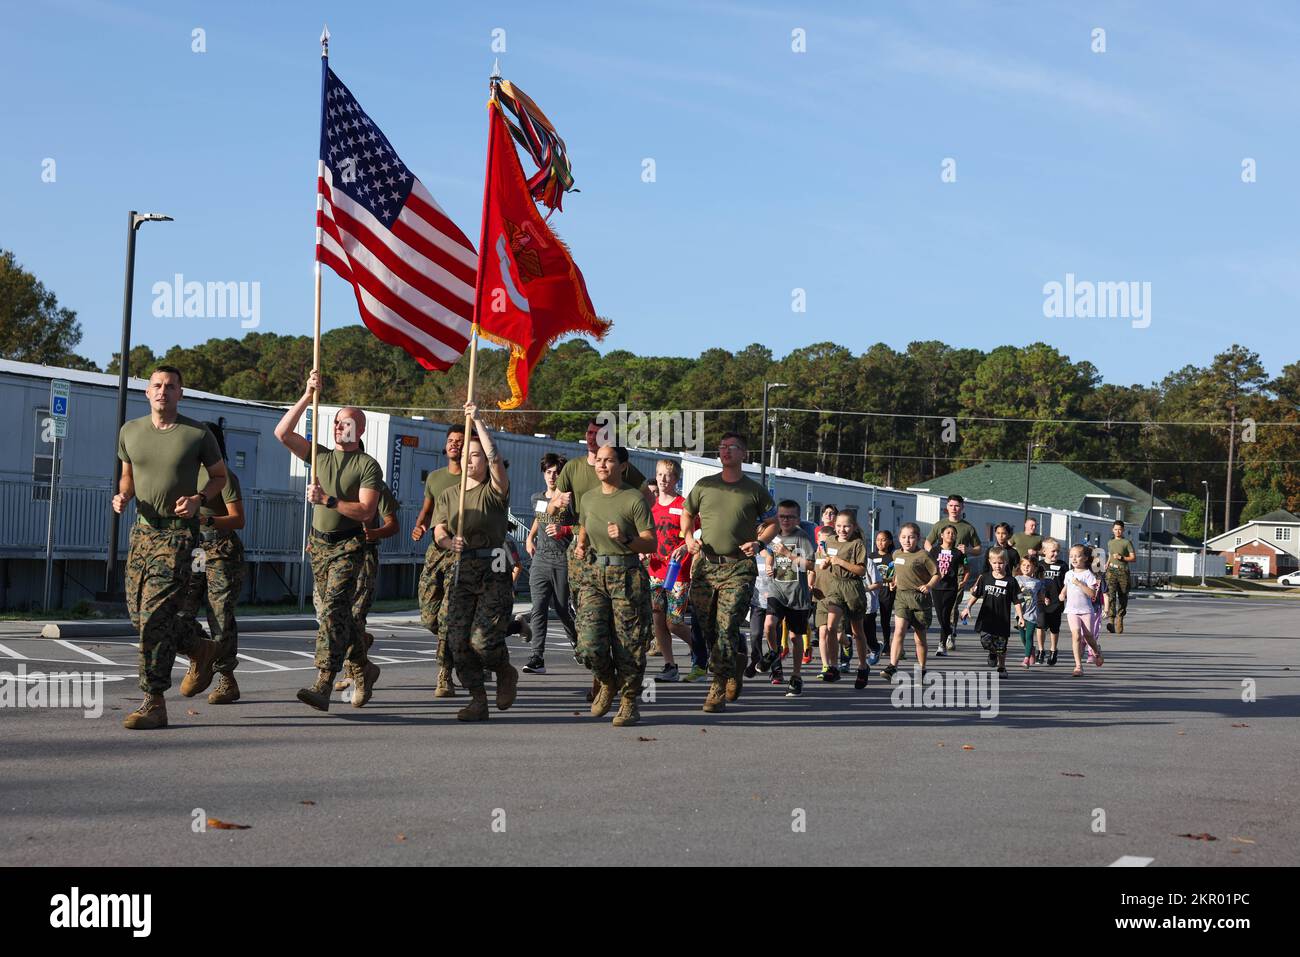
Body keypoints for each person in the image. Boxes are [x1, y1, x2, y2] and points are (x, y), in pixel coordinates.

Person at [113, 366, 227, 730]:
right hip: (142, 533)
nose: (163, 391)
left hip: (178, 536)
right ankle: (199, 647)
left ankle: (154, 701)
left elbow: (220, 476)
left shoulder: (197, 433)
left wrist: (198, 498)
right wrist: (124, 494)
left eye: (171, 386)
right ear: (147, 393)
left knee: (154, 618)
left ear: (181, 393)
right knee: (140, 617)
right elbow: (128, 474)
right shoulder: (130, 431)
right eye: (157, 386)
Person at [275, 371, 383, 711]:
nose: (340, 427)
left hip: (348, 545)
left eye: (348, 423)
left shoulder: (367, 465)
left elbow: (366, 511)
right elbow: (282, 433)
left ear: (360, 430)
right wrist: (308, 394)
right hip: (318, 546)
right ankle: (363, 667)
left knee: (336, 606)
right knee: (335, 617)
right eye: (337, 422)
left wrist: (329, 501)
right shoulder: (319, 456)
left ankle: (323, 680)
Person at [429, 403, 519, 721]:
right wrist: (446, 541)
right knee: (456, 640)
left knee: (483, 640)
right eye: (466, 454)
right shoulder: (450, 495)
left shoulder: (495, 490)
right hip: (462, 566)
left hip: (494, 564)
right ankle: (478, 699)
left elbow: (495, 459)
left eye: (475, 455)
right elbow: (439, 529)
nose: (470, 459)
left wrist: (478, 421)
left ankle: (504, 670)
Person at [681, 432, 776, 713]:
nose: (725, 451)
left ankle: (717, 687)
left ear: (744, 454)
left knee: (726, 626)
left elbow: (772, 523)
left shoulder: (754, 490)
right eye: (721, 447)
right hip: (705, 566)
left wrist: (759, 542)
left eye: (732, 447)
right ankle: (733, 662)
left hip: (738, 568)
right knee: (707, 626)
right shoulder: (704, 485)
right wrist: (688, 538)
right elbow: (687, 513)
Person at [574, 446, 656, 727]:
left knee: (629, 644)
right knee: (587, 644)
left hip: (626, 574)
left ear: (623, 466)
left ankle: (630, 701)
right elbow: (585, 523)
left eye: (609, 461)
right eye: (599, 460)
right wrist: (582, 544)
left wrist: (625, 538)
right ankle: (607, 681)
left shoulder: (633, 499)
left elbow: (651, 542)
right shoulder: (588, 498)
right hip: (594, 574)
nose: (602, 465)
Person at [177, 420, 246, 706]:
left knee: (220, 615)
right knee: (182, 611)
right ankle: (201, 652)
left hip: (221, 549)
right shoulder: (187, 474)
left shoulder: (224, 476)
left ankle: (226, 679)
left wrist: (205, 518)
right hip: (196, 553)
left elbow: (238, 519)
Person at [412, 425, 465, 698]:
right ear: (445, 447)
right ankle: (460, 641)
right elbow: (427, 508)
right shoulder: (435, 477)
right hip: (436, 549)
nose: (455, 445)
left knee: (447, 616)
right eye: (451, 441)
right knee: (429, 616)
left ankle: (444, 675)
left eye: (460, 441)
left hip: (461, 549)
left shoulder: (473, 478)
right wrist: (420, 526)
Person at [335, 475, 399, 695]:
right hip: (334, 555)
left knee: (354, 616)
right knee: (332, 616)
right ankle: (361, 643)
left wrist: (374, 533)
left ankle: (354, 672)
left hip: (363, 554)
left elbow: (392, 524)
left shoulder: (375, 486)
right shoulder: (333, 482)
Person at [644, 459, 699, 684]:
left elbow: (696, 535)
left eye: (668, 475)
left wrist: (686, 546)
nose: (663, 479)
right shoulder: (651, 507)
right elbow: (645, 535)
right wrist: (643, 550)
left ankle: (703, 652)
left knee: (673, 622)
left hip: (677, 572)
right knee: (658, 619)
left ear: (676, 479)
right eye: (659, 475)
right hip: (655, 571)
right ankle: (670, 665)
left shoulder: (684, 505)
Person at [522, 452, 576, 675]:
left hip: (563, 558)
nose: (552, 476)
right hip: (541, 559)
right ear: (543, 474)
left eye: (556, 472)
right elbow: (541, 516)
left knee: (562, 608)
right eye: (548, 472)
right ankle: (537, 657)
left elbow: (583, 526)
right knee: (539, 607)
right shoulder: (538, 497)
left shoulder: (571, 500)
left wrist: (564, 529)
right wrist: (529, 537)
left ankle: (579, 643)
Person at [816, 508, 880, 690]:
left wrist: (840, 562)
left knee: (857, 631)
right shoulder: (829, 540)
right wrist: (827, 562)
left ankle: (862, 666)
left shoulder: (858, 544)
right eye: (838, 526)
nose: (842, 530)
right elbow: (829, 559)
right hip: (835, 586)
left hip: (852, 587)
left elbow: (861, 570)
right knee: (831, 627)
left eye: (846, 526)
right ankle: (833, 666)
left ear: (853, 527)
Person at [759, 500, 815, 696]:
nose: (786, 520)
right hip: (777, 591)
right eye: (782, 516)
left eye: (790, 517)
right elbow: (765, 551)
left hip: (797, 595)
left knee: (794, 636)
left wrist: (787, 554)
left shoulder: (802, 537)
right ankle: (774, 654)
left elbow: (809, 565)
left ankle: (796, 676)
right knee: (769, 624)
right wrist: (768, 561)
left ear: (798, 519)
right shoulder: (772, 535)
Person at [925, 495, 983, 649]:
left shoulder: (968, 528)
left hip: (957, 572)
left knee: (952, 606)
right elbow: (927, 543)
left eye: (957, 506)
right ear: (947, 507)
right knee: (940, 609)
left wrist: (968, 549)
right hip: (940, 571)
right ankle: (948, 631)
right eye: (951, 505)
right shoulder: (940, 525)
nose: (954, 508)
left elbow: (979, 549)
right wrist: (935, 555)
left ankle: (949, 635)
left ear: (962, 507)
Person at [882, 522, 939, 681]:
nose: (907, 540)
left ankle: (922, 668)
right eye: (904, 537)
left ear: (918, 538)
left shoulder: (923, 556)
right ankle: (892, 666)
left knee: (919, 638)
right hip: (901, 597)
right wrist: (894, 581)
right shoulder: (896, 554)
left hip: (920, 600)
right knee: (898, 631)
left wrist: (928, 586)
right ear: (899, 538)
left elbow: (937, 575)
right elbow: (898, 572)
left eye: (911, 537)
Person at [960, 547, 1022, 676]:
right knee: (986, 641)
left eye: (1000, 563)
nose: (997, 566)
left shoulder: (1011, 581)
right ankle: (992, 652)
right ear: (989, 562)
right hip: (986, 617)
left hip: (1002, 619)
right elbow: (976, 594)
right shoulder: (985, 578)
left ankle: (1002, 667)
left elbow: (1017, 601)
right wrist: (967, 607)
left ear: (1006, 562)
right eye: (994, 563)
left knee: (1002, 646)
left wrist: (1020, 617)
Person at [1061, 544, 1105, 676]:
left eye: (1077, 556)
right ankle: (1078, 666)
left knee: (1088, 636)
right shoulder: (1068, 574)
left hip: (1086, 610)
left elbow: (1092, 594)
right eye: (1071, 556)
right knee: (1076, 636)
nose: (1074, 559)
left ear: (1085, 558)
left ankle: (1096, 652)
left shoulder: (1088, 575)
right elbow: (1066, 586)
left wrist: (1080, 584)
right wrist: (1062, 593)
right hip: (1071, 610)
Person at [928, 524, 969, 658]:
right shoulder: (934, 551)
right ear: (941, 535)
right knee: (940, 616)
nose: (950, 535)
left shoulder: (958, 553)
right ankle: (949, 631)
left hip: (951, 588)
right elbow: (927, 566)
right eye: (947, 533)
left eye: (953, 533)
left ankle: (942, 645)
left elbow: (967, 568)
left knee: (946, 614)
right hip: (936, 587)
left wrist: (964, 580)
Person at [1039, 537, 1067, 666]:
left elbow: (1067, 582)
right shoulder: (1040, 566)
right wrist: (1041, 596)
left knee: (1054, 628)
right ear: (1044, 551)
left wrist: (1064, 593)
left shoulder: (1062, 565)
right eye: (1053, 551)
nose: (1056, 554)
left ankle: (1053, 650)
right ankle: (1040, 650)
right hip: (1041, 601)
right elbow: (1036, 583)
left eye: (1058, 551)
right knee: (1040, 626)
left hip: (1057, 602)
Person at [1014, 555, 1046, 668]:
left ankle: (1026, 659)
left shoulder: (1038, 582)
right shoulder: (1016, 579)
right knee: (1023, 638)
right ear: (1020, 566)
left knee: (1029, 637)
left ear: (1034, 568)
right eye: (1024, 565)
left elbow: (1041, 595)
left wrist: (1044, 599)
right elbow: (1013, 594)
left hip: (1032, 613)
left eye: (1029, 566)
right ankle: (1031, 649)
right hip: (1020, 613)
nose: (1026, 567)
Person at [1104, 520, 1136, 633]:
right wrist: (1107, 563)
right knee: (1111, 595)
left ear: (1123, 530)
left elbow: (1133, 558)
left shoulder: (1127, 542)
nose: (1117, 531)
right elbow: (1110, 554)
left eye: (1120, 529)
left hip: (1123, 571)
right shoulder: (1110, 542)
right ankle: (1111, 621)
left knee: (1122, 596)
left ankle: (1120, 618)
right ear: (1112, 530)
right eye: (1115, 529)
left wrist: (1122, 558)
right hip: (1111, 571)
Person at [870, 529, 897, 652]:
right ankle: (872, 643)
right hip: (873, 591)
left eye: (883, 539)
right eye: (878, 540)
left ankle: (887, 644)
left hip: (887, 591)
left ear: (890, 541)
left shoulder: (893, 556)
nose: (880, 542)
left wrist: (894, 582)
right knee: (870, 618)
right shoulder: (871, 556)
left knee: (885, 619)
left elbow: (897, 573)